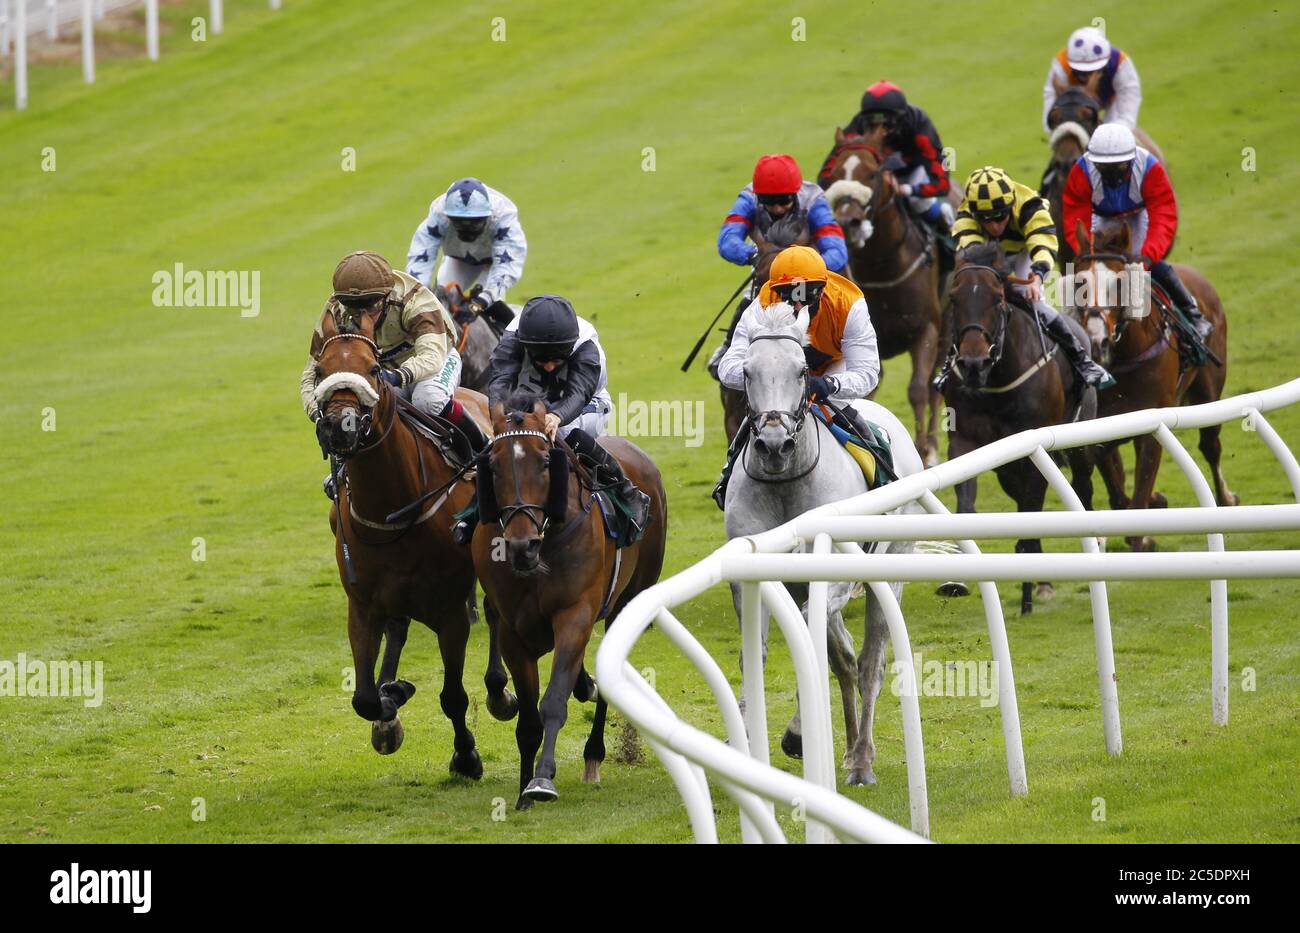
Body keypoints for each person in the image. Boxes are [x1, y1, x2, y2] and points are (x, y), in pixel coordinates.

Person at [450, 295, 651, 543]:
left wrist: (557, 416)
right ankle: (473, 511)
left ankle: (628, 492)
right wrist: (498, 414)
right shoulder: (514, 337)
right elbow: (500, 382)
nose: (548, 367)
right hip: (532, 398)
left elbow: (579, 393)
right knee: (505, 442)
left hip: (586, 403)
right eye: (541, 359)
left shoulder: (586, 346)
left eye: (557, 360)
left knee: (564, 434)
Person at [300, 251, 490, 496]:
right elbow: (310, 374)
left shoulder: (415, 300)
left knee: (427, 399)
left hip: (436, 361)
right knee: (362, 408)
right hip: (383, 370)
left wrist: (399, 376)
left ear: (387, 295)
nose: (363, 316)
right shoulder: (335, 311)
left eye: (371, 306)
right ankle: (347, 467)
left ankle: (481, 449)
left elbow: (431, 357)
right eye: (354, 309)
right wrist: (318, 415)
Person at [713, 246, 880, 508]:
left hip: (831, 371)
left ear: (823, 287)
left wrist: (829, 384)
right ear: (776, 291)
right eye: (789, 297)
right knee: (752, 422)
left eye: (808, 294)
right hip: (777, 380)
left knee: (851, 418)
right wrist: (763, 375)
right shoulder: (760, 306)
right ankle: (728, 477)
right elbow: (728, 367)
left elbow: (867, 372)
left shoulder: (849, 304)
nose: (799, 304)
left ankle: (884, 478)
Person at [947, 166, 1114, 389]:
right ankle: (949, 363)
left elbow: (1042, 244)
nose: (995, 226)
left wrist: (1037, 277)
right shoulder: (966, 214)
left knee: (1034, 300)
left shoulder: (1030, 206)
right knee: (972, 302)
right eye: (986, 220)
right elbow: (973, 257)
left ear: (1011, 206)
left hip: (1025, 251)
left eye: (1001, 217)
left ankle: (1082, 360)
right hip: (987, 256)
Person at [1062, 124, 1213, 347]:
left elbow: (1163, 213)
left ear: (1131, 161)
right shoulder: (1082, 170)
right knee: (1078, 270)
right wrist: (1086, 251)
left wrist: (1148, 254)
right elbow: (1075, 215)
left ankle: (1194, 316)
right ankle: (1068, 330)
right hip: (1100, 217)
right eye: (1105, 168)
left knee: (1142, 266)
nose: (1112, 175)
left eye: (1119, 167)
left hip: (1138, 216)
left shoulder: (1149, 168)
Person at [710, 154, 846, 372]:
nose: (777, 209)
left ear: (795, 192)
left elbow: (837, 250)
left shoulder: (813, 198)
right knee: (748, 304)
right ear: (758, 196)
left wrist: (808, 266)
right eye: (769, 203)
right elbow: (727, 240)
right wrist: (753, 255)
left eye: (784, 201)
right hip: (768, 280)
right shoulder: (748, 197)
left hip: (808, 281)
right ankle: (728, 348)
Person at [817, 80, 955, 253]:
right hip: (874, 176)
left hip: (912, 173)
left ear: (901, 119)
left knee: (922, 204)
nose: (879, 130)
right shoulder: (857, 125)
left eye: (887, 123)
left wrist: (907, 190)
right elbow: (825, 176)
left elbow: (942, 183)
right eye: (872, 123)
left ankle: (950, 243)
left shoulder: (919, 124)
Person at [405, 177, 525, 331]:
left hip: (494, 263)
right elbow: (421, 255)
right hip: (459, 260)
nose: (467, 229)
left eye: (475, 223)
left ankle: (512, 339)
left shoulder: (504, 215)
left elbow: (507, 264)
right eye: (459, 222)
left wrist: (481, 301)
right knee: (441, 301)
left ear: (488, 216)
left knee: (491, 303)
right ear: (448, 217)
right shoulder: (438, 213)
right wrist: (420, 294)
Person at [1042, 26, 1141, 131]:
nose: (1086, 79)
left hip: (1112, 100)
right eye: (1080, 72)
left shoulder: (1121, 64)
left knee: (1115, 131)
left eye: (1093, 71)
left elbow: (1128, 113)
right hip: (1072, 104)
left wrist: (1119, 128)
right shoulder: (1061, 65)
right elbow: (1050, 118)